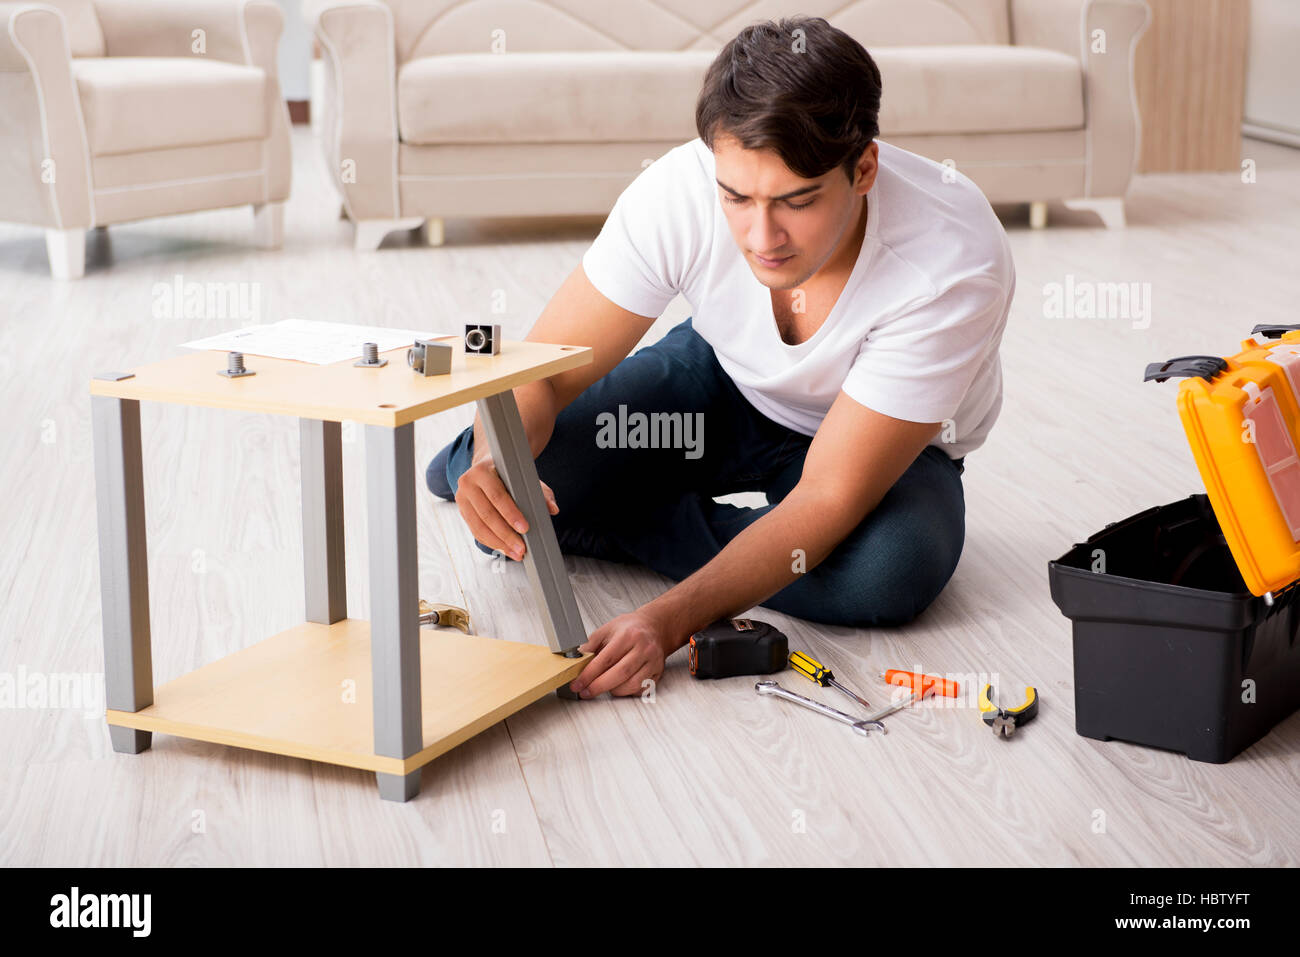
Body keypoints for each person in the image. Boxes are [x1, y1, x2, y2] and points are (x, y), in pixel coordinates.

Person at [426, 15, 1015, 700]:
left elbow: (828, 493)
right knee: (509, 466)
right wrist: (495, 463)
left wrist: (667, 619)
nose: (762, 235)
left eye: (796, 201)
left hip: (884, 441)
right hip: (727, 385)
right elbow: (543, 369)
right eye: (737, 197)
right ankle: (495, 465)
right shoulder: (679, 189)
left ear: (864, 169)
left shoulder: (951, 257)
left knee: (890, 569)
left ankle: (624, 515)